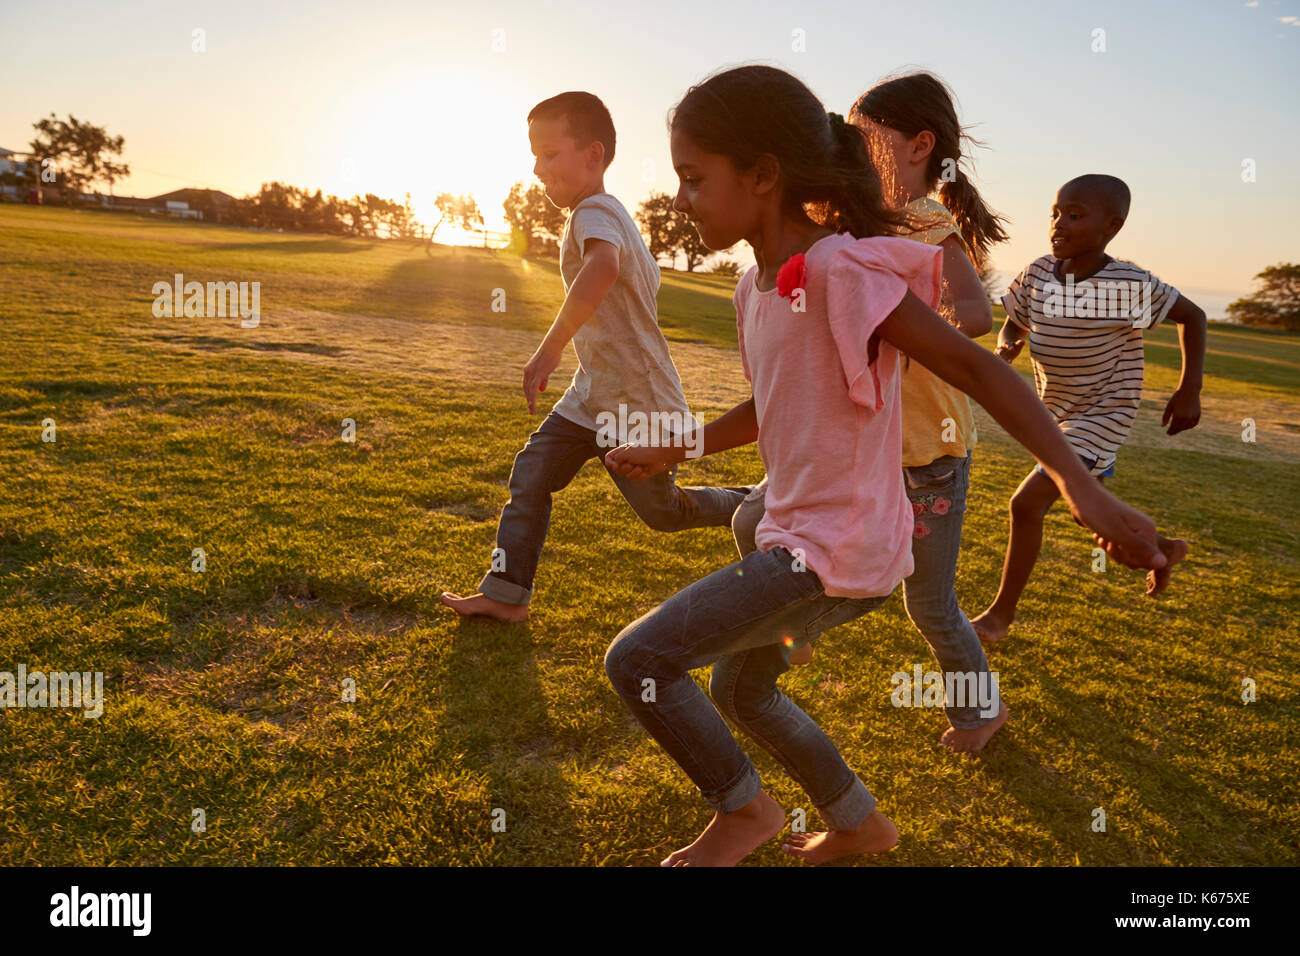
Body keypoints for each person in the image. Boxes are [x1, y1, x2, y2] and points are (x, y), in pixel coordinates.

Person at [602, 66, 1172, 866]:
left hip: (835, 548)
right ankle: (860, 825)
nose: (683, 197)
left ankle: (743, 813)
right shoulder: (754, 288)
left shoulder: (841, 269)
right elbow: (775, 406)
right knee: (741, 689)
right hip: (799, 534)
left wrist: (1083, 490)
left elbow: (979, 367)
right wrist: (682, 443)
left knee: (638, 658)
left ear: (764, 174)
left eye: (696, 178)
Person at [731, 72, 1009, 752]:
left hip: (925, 453)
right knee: (754, 520)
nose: (853, 146)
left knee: (930, 604)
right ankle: (791, 637)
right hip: (859, 447)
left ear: (919, 145)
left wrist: (899, 324)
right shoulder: (850, 222)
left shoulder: (926, 222)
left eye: (867, 136)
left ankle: (981, 713)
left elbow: (973, 314)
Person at [441, 91, 748, 622]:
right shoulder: (609, 214)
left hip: (637, 401)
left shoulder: (595, 211)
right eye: (534, 155)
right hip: (592, 394)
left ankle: (753, 503)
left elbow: (602, 269)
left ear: (594, 155)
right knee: (532, 471)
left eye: (550, 154)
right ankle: (507, 594)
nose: (538, 168)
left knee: (665, 514)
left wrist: (549, 348)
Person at [970, 174, 1202, 644]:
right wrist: (1008, 343)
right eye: (1055, 214)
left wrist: (1188, 390)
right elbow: (1014, 323)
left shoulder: (1128, 282)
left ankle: (999, 616)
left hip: (1101, 416)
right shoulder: (1037, 273)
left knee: (1025, 504)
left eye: (1074, 216)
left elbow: (1192, 316)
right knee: (1085, 510)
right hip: (1054, 415)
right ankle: (1162, 549)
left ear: (1110, 227)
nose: (1058, 225)